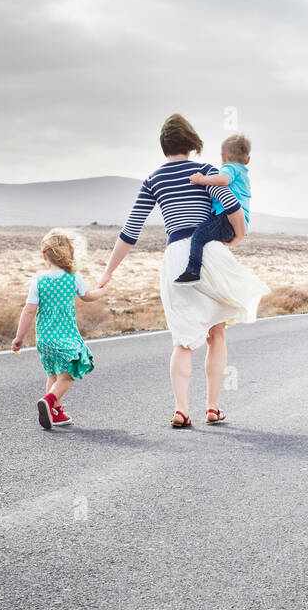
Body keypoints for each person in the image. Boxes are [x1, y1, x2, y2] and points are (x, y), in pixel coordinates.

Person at [97, 114, 269, 429]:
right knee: (217, 333)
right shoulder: (205, 171)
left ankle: (181, 409)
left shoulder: (153, 179)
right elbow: (231, 206)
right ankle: (213, 408)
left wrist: (108, 273)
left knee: (183, 341)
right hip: (211, 252)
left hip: (177, 255)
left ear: (164, 146)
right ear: (192, 143)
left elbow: (130, 231)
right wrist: (239, 236)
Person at [12, 229, 107, 429]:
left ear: (44, 255)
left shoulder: (38, 280)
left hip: (44, 339)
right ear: (69, 253)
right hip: (65, 338)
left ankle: (55, 412)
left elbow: (29, 311)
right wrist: (101, 292)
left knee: (53, 375)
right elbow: (87, 296)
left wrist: (19, 337)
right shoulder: (73, 277)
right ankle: (48, 401)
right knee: (69, 375)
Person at [175, 133, 253, 284]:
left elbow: (223, 180)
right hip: (238, 225)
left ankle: (193, 271)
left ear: (223, 157)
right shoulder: (244, 176)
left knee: (198, 236)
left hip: (224, 218)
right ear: (248, 160)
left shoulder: (231, 168)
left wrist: (201, 180)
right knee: (210, 245)